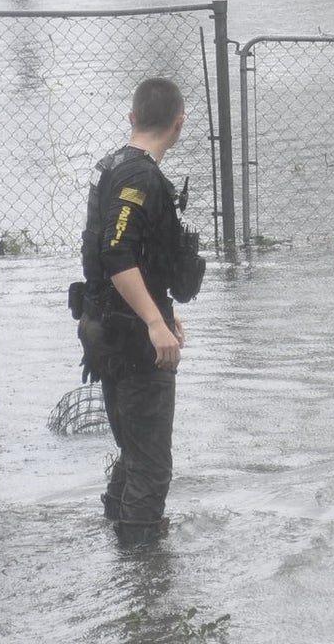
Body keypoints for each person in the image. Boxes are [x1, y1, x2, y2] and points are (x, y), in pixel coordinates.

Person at [75, 77, 206, 543]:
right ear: (179, 123)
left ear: (131, 118)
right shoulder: (141, 177)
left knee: (134, 450)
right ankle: (144, 583)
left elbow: (119, 256)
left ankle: (118, 545)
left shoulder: (110, 165)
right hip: (129, 336)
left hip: (104, 325)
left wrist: (159, 311)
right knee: (151, 465)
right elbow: (116, 254)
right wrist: (154, 322)